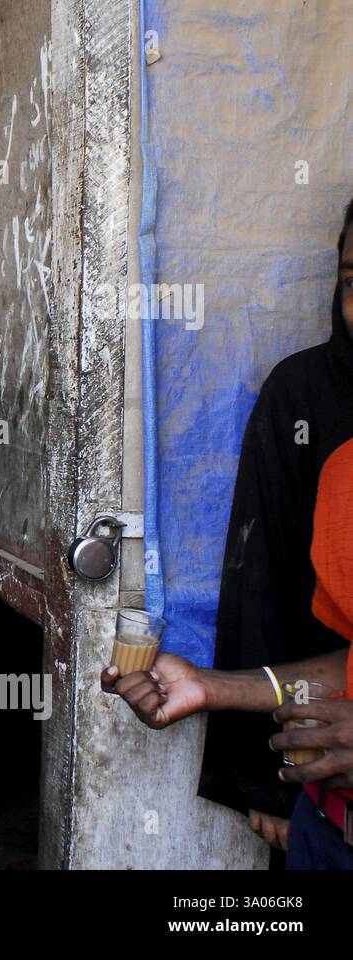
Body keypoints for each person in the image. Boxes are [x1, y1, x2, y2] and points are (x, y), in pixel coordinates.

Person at [198, 195, 353, 854]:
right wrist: (267, 778)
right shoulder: (303, 397)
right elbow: (257, 584)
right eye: (351, 280)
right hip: (321, 773)